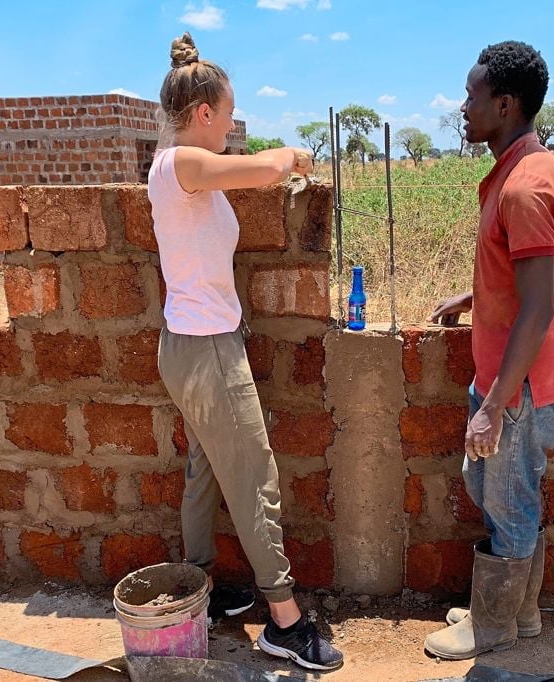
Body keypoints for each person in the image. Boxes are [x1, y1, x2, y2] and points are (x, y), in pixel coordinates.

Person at [148, 32, 343, 671]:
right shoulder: (181, 163)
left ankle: (195, 593)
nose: (233, 125)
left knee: (207, 473)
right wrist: (293, 155)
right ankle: (284, 620)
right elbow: (263, 169)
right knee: (253, 475)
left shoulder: (182, 170)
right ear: (203, 114)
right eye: (229, 113)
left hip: (193, 345)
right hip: (205, 351)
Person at [424, 40, 554, 660]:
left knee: (507, 503)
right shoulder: (525, 171)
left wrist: (495, 403)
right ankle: (523, 614)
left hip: (520, 386)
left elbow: (538, 306)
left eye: (472, 95)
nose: (463, 106)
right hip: (519, 380)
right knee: (501, 493)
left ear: (505, 104)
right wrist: (474, 297)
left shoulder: (522, 187)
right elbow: (524, 279)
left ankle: (494, 627)